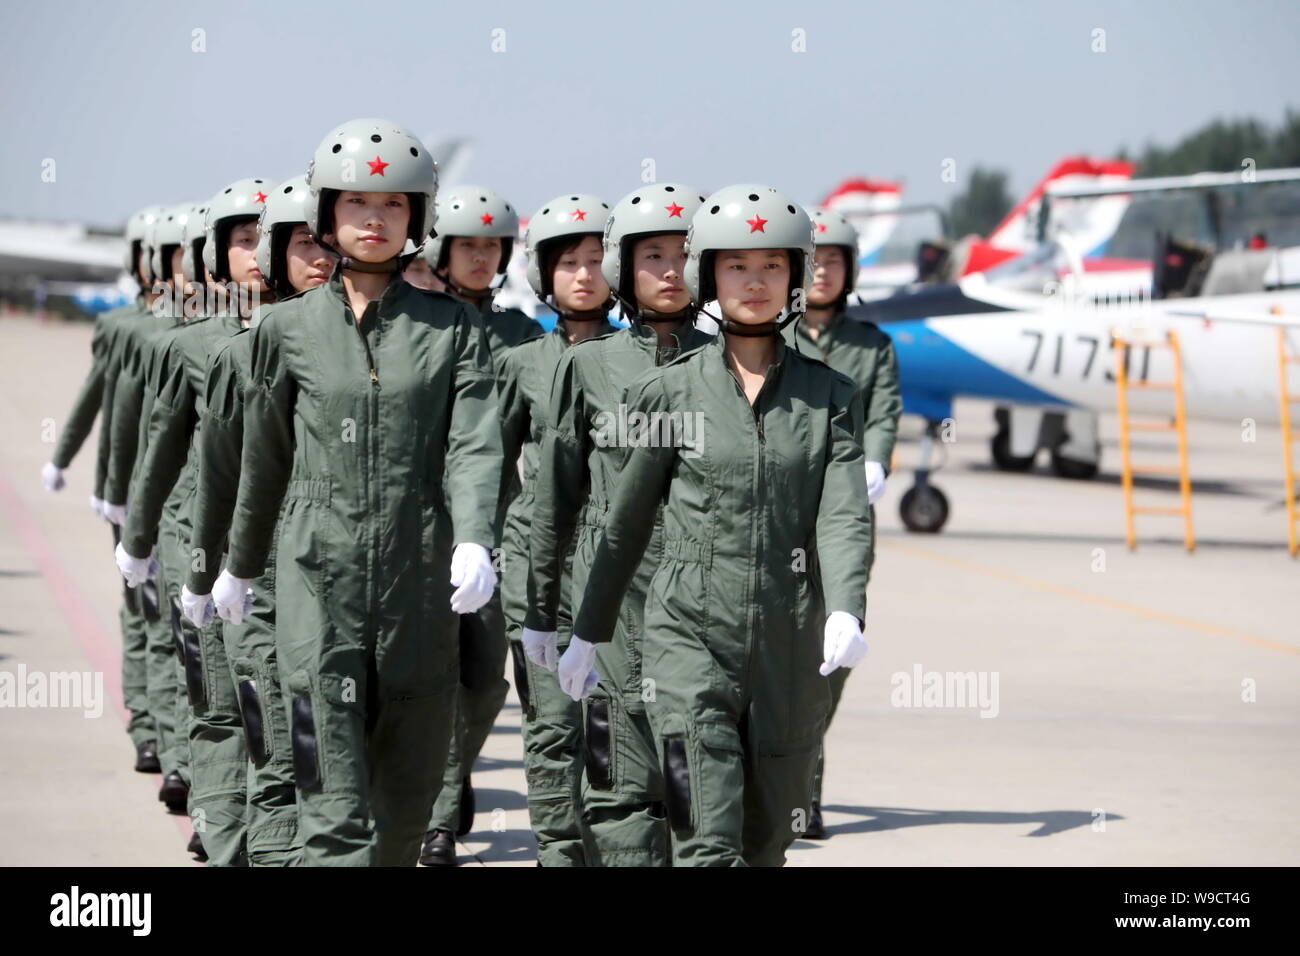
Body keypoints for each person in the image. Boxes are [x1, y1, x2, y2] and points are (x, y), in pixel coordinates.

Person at [213, 119, 502, 866]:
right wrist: (241, 565)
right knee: (330, 802)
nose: (375, 220)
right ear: (326, 215)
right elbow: (265, 460)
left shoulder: (453, 331)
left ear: (418, 218)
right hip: (316, 579)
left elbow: (473, 441)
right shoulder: (285, 330)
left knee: (404, 810)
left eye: (394, 205)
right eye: (356, 204)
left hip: (420, 577)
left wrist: (473, 535)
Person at [565, 184, 873, 866]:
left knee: (765, 841)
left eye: (771, 266)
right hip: (687, 638)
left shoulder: (829, 399)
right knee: (705, 838)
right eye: (736, 266)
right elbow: (627, 523)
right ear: (710, 274)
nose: (754, 283)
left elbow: (844, 514)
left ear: (796, 275)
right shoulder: (666, 393)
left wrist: (846, 607)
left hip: (788, 644)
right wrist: (589, 630)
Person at [524, 182, 712, 866]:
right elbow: (554, 502)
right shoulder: (586, 368)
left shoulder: (735, 368)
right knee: (616, 791)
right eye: (652, 254)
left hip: (702, 605)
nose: (669, 270)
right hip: (607, 608)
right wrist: (540, 613)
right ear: (622, 268)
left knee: (697, 791)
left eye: (684, 254)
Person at [179, 174, 335, 866]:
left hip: (338, 571)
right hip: (255, 566)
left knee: (328, 745)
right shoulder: (229, 353)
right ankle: (232, 836)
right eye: (297, 244)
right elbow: (214, 473)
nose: (319, 258)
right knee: (258, 723)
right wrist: (203, 567)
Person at [116, 179, 273, 865]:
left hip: (290, 554)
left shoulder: (319, 340)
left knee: (275, 706)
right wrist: (139, 535)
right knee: (214, 699)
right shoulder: (191, 345)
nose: (261, 252)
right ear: (215, 252)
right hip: (200, 540)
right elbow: (161, 446)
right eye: (245, 239)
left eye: (277, 236)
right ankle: (221, 823)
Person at [410, 186, 544, 867]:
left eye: (492, 245)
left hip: (497, 524)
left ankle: (452, 768)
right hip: (417, 522)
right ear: (440, 249)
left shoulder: (523, 336)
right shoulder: (412, 324)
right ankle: (434, 816)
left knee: (487, 676)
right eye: (468, 243)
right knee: (428, 675)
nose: (481, 256)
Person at [499, 193, 618, 866]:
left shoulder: (646, 363)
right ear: (543, 274)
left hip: (622, 570)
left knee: (612, 729)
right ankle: (560, 853)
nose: (583, 275)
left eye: (597, 261)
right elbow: (488, 466)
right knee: (550, 727)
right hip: (538, 570)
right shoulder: (519, 365)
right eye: (568, 262)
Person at [783, 208, 901, 839]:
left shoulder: (872, 346)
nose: (823, 270)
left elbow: (884, 412)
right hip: (779, 515)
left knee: (832, 655)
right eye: (815, 259)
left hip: (844, 516)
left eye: (834, 259)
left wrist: (876, 461)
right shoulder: (770, 335)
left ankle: (805, 789)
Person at [40, 204, 161, 775]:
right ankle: (147, 723)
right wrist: (74, 464)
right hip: (135, 490)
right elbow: (102, 402)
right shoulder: (124, 328)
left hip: (188, 498)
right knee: (143, 610)